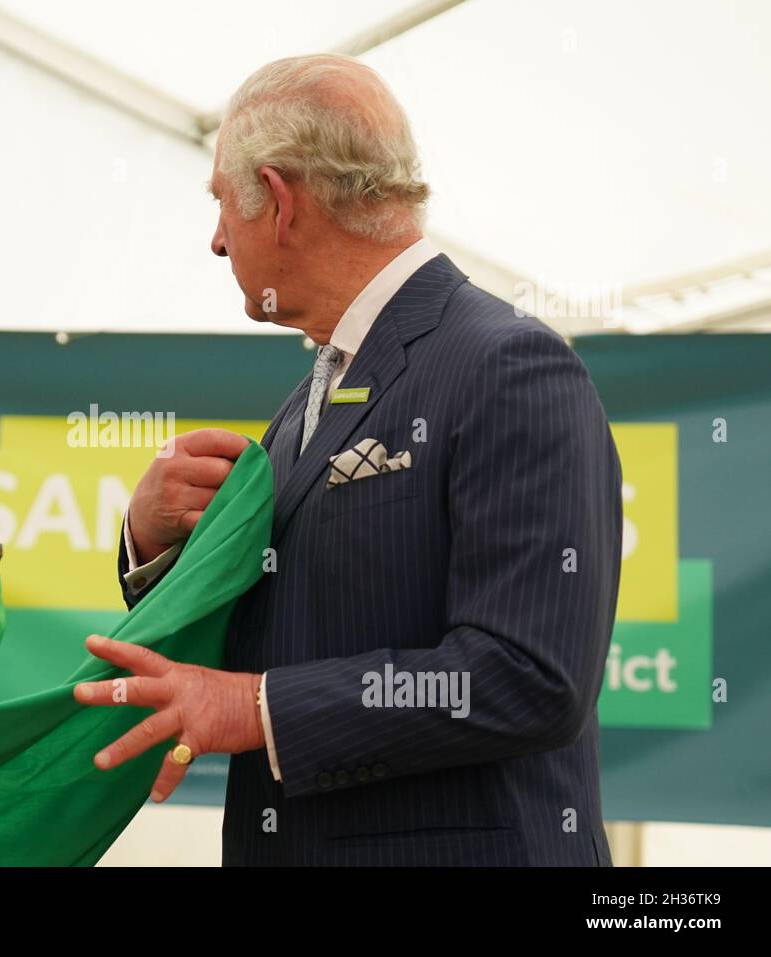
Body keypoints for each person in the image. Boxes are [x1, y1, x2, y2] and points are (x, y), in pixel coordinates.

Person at [72, 53, 622, 866]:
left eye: (224, 202)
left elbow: (529, 675)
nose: (218, 239)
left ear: (281, 201)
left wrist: (259, 709)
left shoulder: (510, 365)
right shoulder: (314, 392)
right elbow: (277, 632)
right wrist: (153, 546)